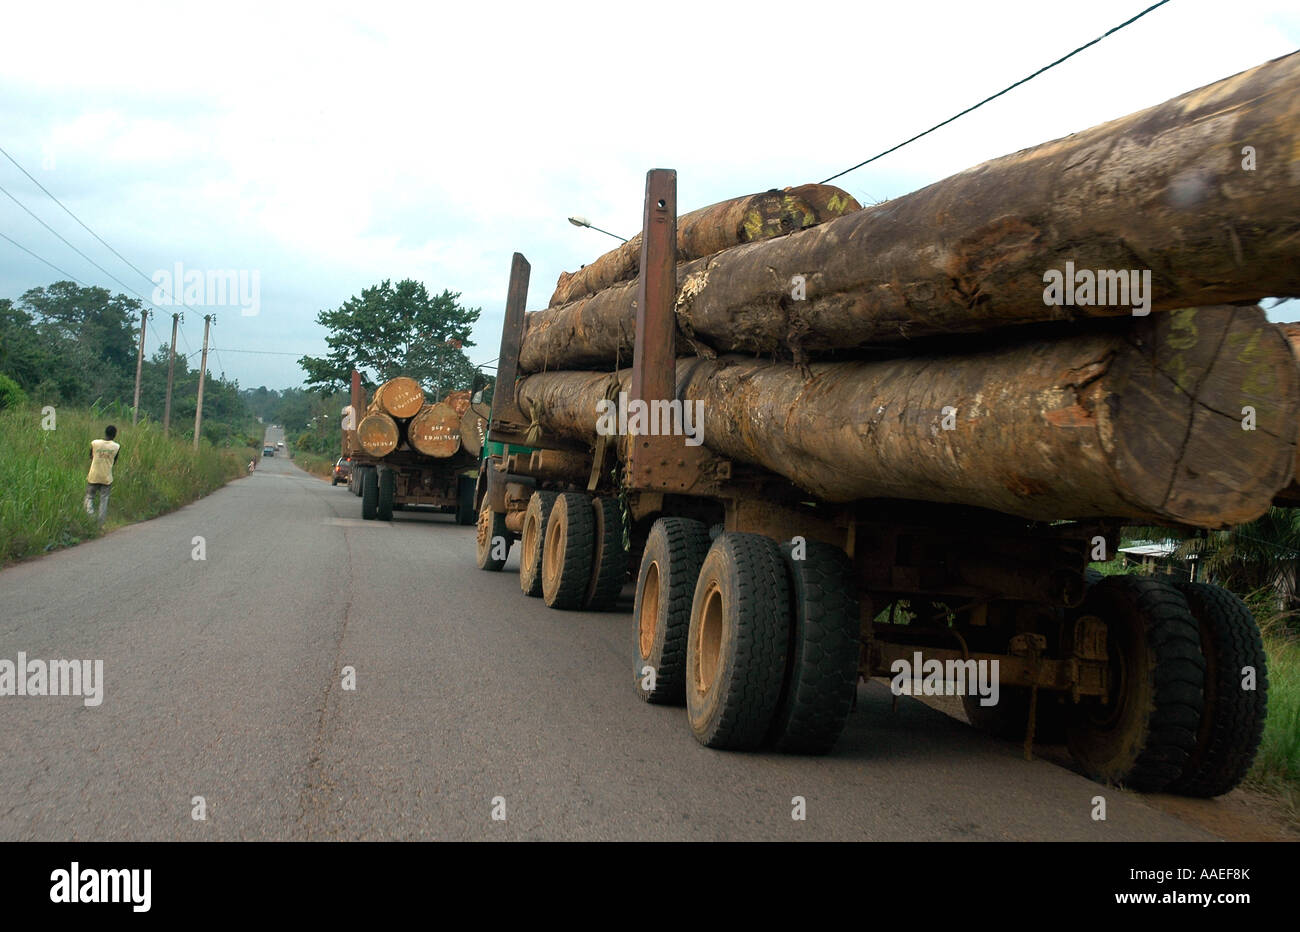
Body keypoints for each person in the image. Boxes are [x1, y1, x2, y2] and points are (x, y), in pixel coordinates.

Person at [85, 425, 121, 525]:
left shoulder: (95, 443)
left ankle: (90, 518)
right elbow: (114, 461)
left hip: (94, 476)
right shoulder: (116, 447)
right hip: (106, 478)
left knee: (89, 497)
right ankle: (100, 524)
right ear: (114, 435)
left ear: (105, 432)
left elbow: (91, 457)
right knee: (104, 500)